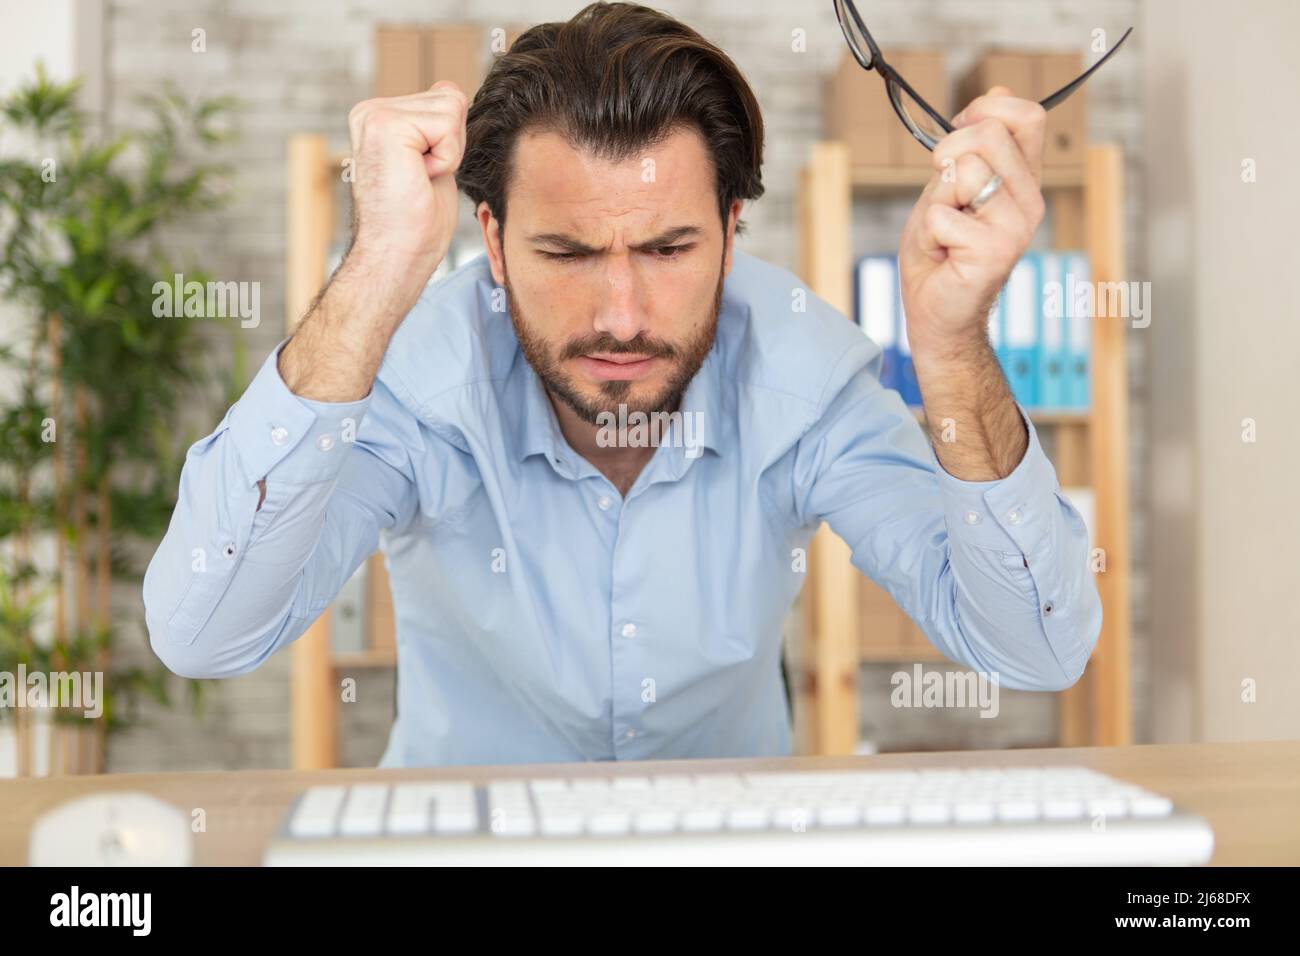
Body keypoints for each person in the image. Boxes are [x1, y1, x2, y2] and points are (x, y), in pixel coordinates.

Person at [143, 2, 1100, 766]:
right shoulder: (423, 375)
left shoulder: (803, 371)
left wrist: (948, 342)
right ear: (492, 243)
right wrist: (376, 271)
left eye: (668, 247)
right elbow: (206, 631)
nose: (621, 315)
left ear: (731, 232)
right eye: (563, 251)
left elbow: (1037, 650)